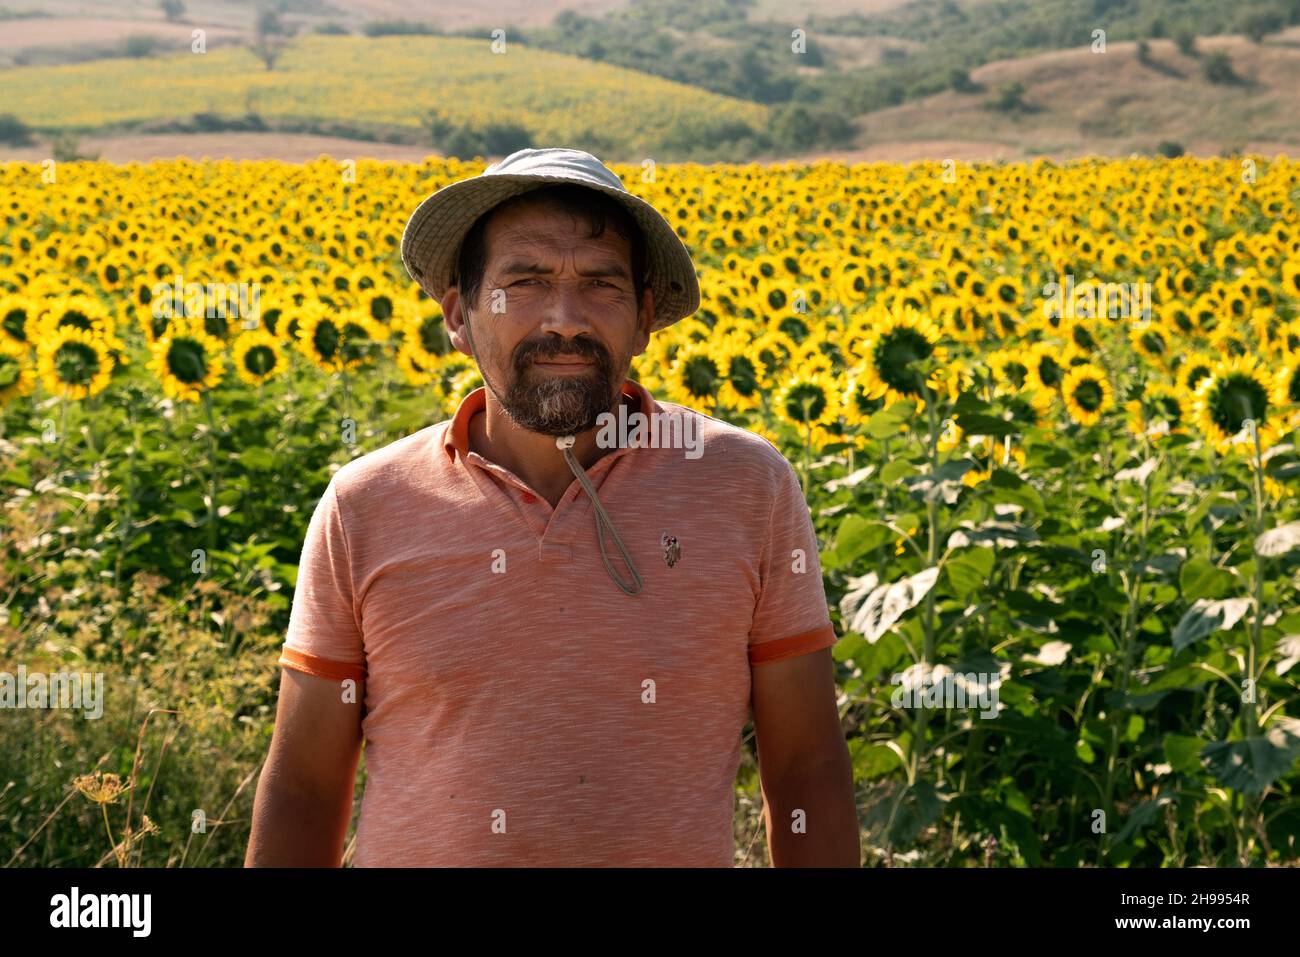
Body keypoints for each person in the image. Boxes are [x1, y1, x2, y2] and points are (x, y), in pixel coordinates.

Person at [245, 148, 859, 867]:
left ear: (644, 319)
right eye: (525, 281)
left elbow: (807, 767)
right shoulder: (367, 505)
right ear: (458, 315)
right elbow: (306, 786)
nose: (565, 319)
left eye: (601, 285)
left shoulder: (744, 486)